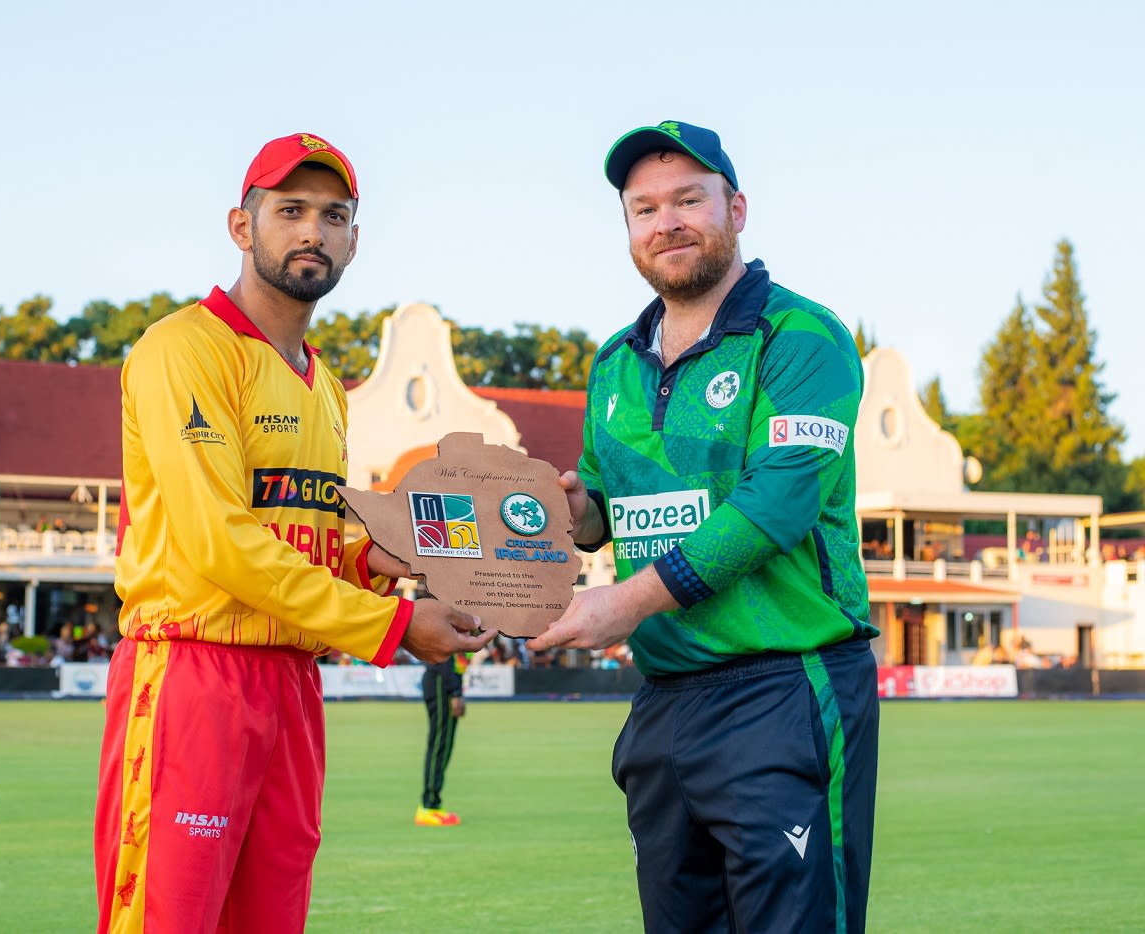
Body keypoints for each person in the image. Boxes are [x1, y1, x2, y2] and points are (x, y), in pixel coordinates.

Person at [93, 131, 496, 933]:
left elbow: (311, 531)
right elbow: (219, 541)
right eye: (291, 210)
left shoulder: (326, 387)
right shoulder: (184, 350)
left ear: (354, 239)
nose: (313, 230)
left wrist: (382, 560)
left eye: (334, 215)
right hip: (192, 674)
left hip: (292, 690)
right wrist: (390, 623)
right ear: (243, 227)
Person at [528, 120, 880, 933]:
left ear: (737, 209)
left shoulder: (801, 338)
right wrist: (578, 515)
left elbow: (774, 507)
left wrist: (627, 603)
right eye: (644, 208)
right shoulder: (615, 362)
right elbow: (607, 513)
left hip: (785, 686)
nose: (667, 222)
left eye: (690, 199)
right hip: (664, 702)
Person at [416, 652, 467, 826]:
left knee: (443, 745)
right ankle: (429, 806)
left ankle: (432, 803)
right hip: (440, 682)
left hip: (443, 681)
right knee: (439, 744)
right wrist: (456, 693)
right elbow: (445, 656)